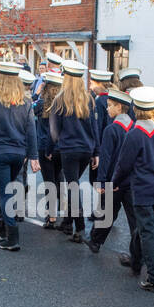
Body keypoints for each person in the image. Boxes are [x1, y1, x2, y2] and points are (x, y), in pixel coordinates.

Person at [113, 86, 154, 293]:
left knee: (147, 232)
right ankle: (135, 260)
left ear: (135, 110)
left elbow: (124, 164)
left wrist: (115, 181)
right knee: (142, 227)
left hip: (142, 189)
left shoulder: (134, 134)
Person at [0, 62, 40, 251]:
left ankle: (12, 236)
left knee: (5, 194)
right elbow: (31, 132)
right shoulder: (26, 102)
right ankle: (2, 225)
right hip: (19, 155)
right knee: (10, 191)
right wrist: (33, 155)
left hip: (0, 153)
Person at [48, 59, 99, 243]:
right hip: (86, 150)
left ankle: (80, 227)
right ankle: (68, 222)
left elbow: (54, 132)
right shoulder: (89, 99)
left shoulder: (59, 100)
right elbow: (95, 129)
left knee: (72, 187)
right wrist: (96, 153)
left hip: (69, 150)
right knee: (74, 185)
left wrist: (56, 144)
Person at [86, 86, 136, 254]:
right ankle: (137, 250)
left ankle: (95, 241)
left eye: (110, 105)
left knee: (107, 213)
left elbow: (105, 159)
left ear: (119, 107)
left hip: (113, 181)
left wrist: (100, 182)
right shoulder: (134, 128)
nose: (107, 108)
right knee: (134, 219)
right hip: (130, 181)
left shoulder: (112, 129)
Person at [35, 71, 64, 228]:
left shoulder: (40, 104)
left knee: (49, 182)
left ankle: (51, 216)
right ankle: (63, 208)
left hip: (43, 146)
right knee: (59, 177)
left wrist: (36, 94)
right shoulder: (63, 104)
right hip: (60, 147)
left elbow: (31, 111)